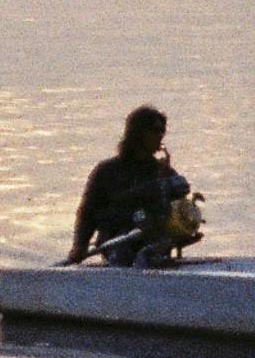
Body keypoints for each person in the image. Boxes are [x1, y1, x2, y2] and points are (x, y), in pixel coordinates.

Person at [66, 105, 195, 266]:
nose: (160, 136)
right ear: (138, 133)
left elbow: (176, 213)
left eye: (162, 131)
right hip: (117, 243)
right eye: (155, 130)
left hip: (155, 246)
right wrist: (79, 245)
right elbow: (87, 213)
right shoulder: (107, 171)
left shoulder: (165, 173)